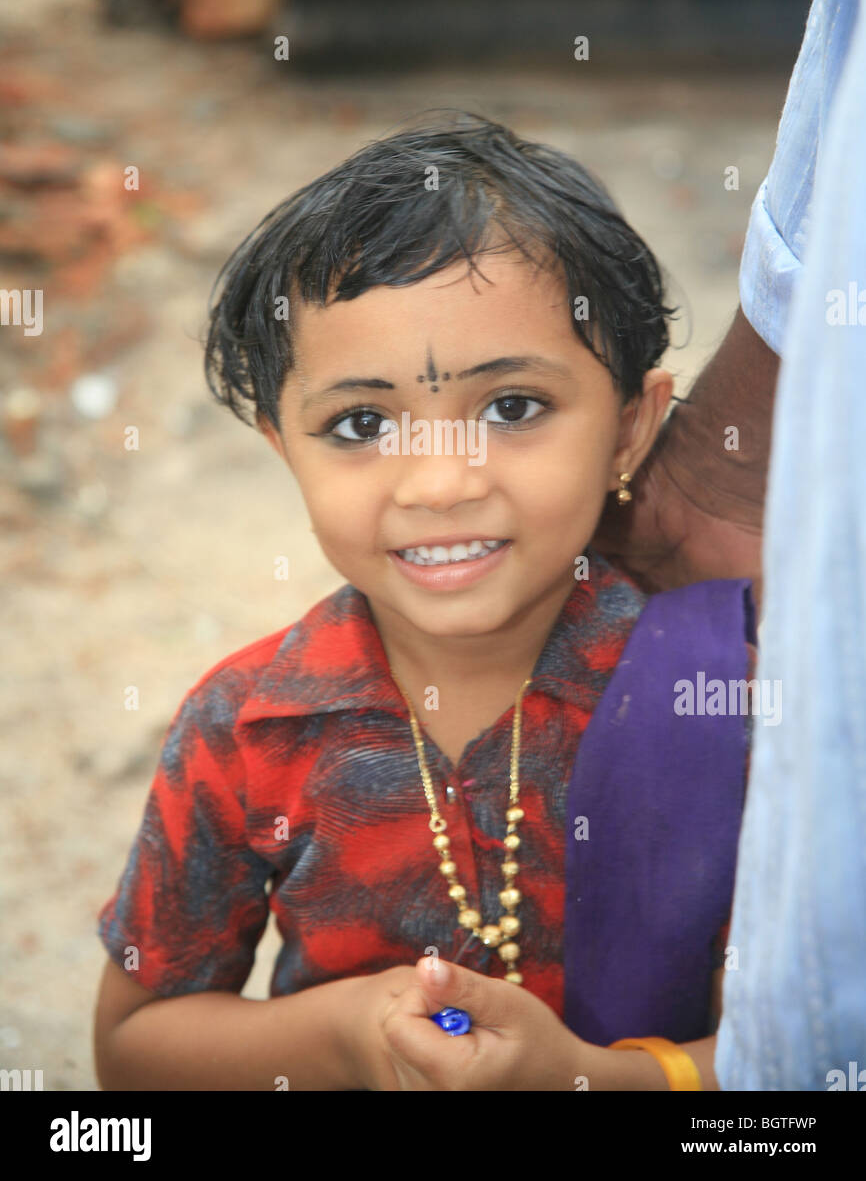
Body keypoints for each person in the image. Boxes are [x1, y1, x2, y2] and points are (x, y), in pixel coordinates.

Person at [92, 114, 756, 1091]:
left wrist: (585, 1080)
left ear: (628, 429)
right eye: (359, 423)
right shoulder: (248, 730)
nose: (438, 484)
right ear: (287, 450)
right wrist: (347, 1035)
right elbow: (134, 1050)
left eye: (512, 408)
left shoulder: (723, 698)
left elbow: (813, 1052)